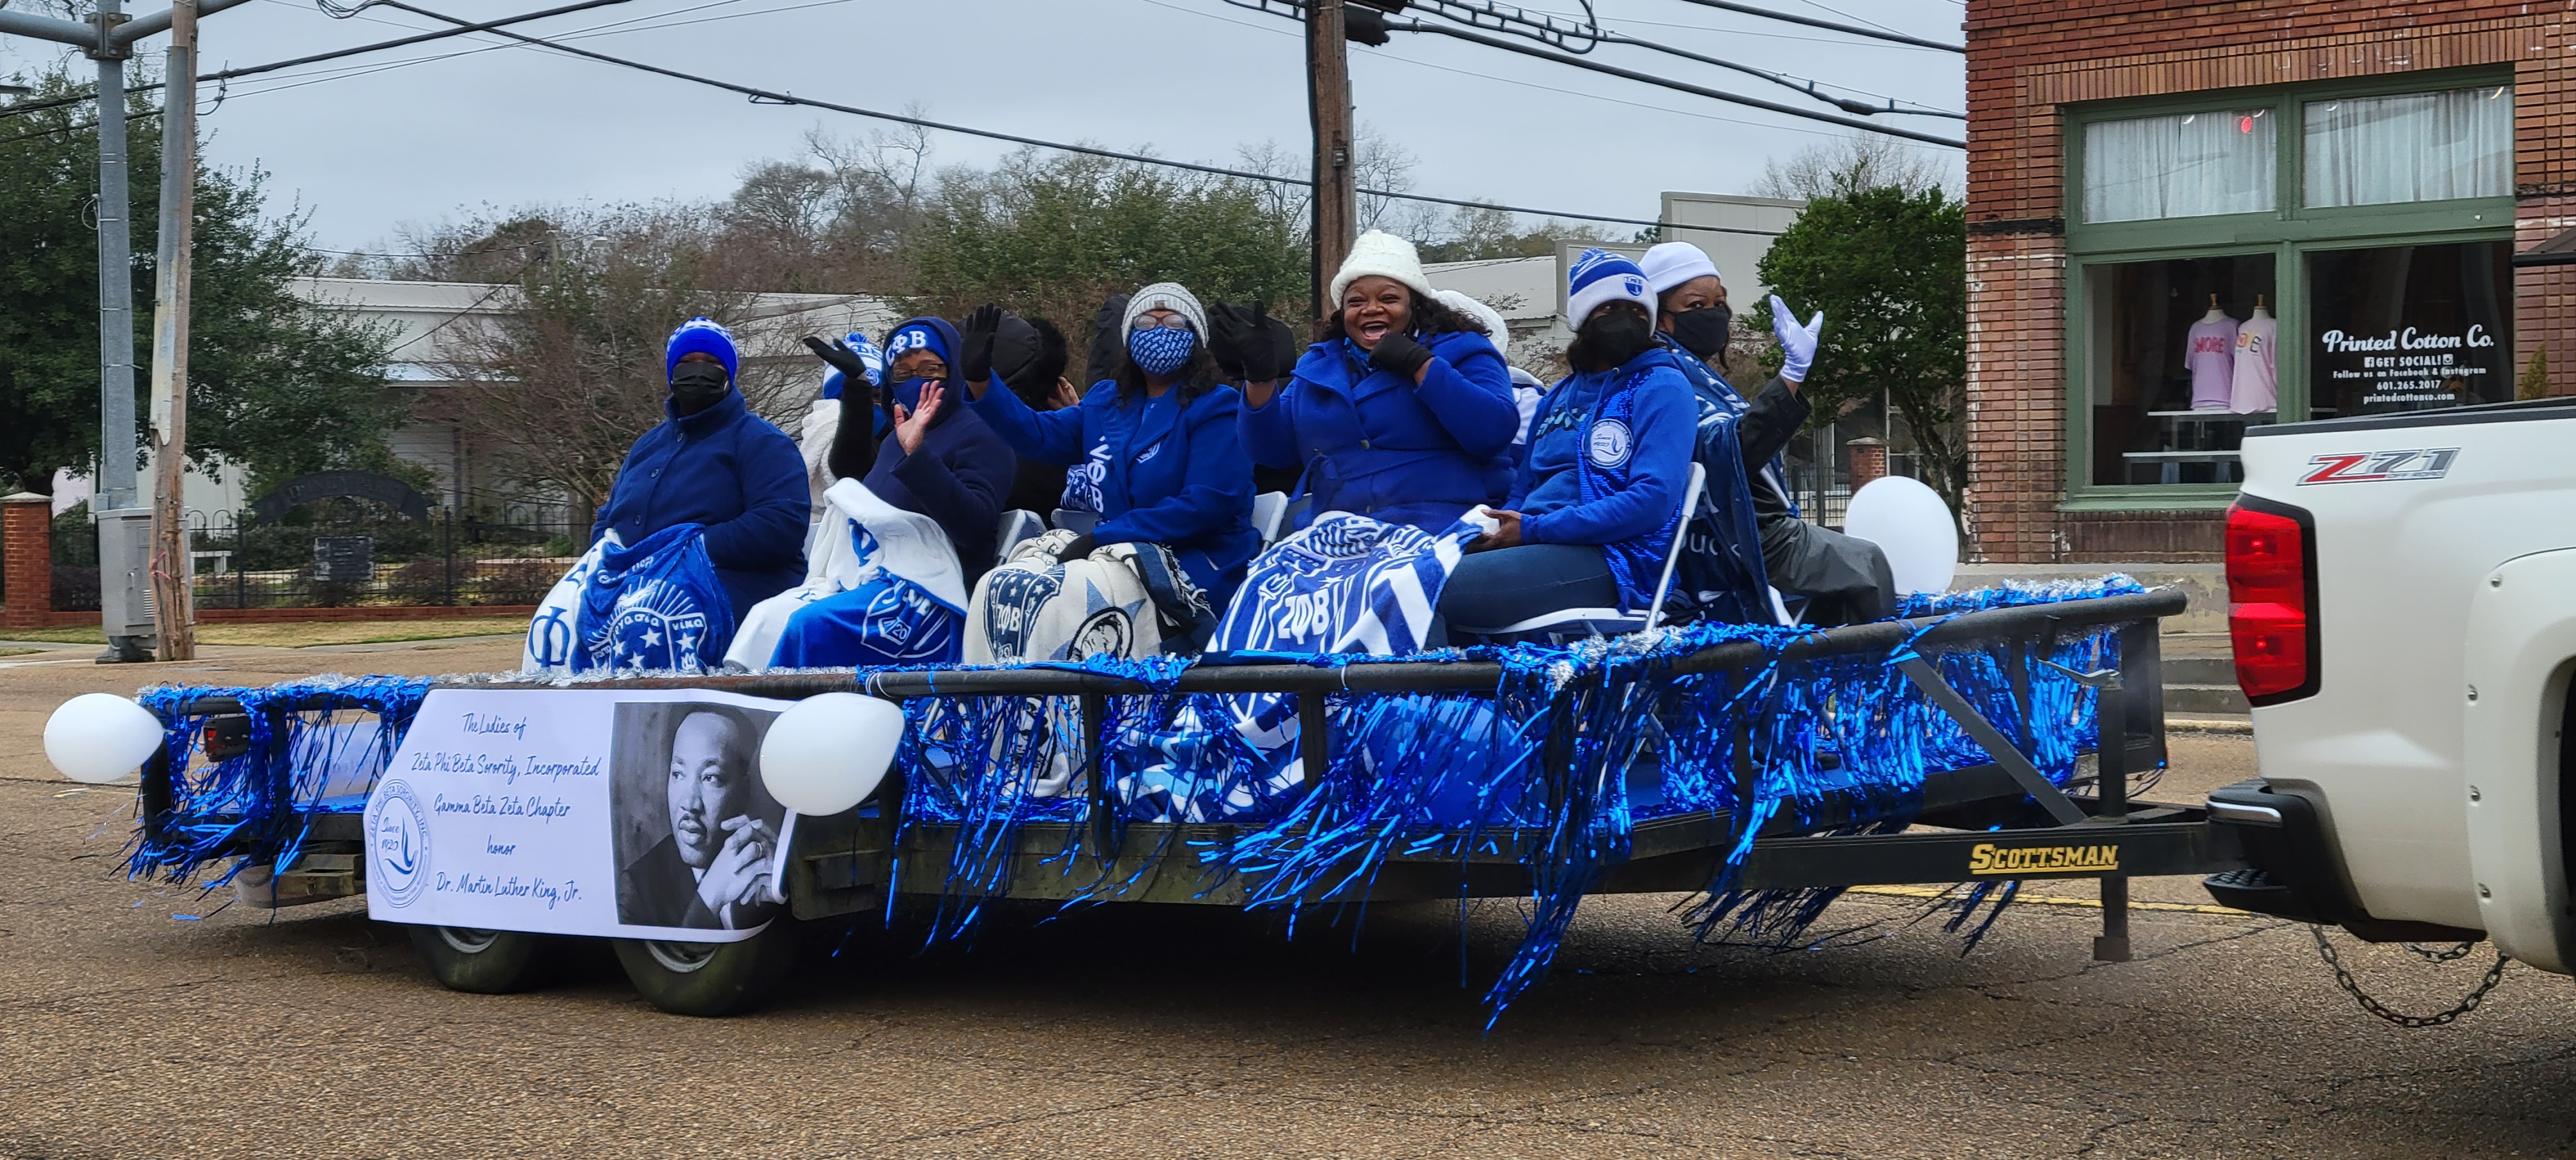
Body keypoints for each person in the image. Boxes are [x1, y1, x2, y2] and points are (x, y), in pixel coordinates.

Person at [964, 284, 1258, 652]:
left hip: (1196, 562)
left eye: (1174, 322)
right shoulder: (1107, 401)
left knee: (1070, 592)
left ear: (1196, 338)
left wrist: (1103, 537)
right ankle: (1005, 686)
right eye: (1146, 323)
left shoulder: (1218, 406)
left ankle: (1071, 687)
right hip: (1114, 557)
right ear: (1129, 338)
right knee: (1002, 585)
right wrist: (981, 382)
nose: (1159, 331)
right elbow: (1037, 435)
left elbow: (1206, 505)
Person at [1436, 250, 1698, 631]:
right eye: (1610, 308)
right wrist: (1495, 529)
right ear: (1582, 318)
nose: (1626, 318)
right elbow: (1524, 488)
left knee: (1427, 591)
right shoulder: (1558, 395)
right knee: (1405, 575)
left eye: (1638, 311)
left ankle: (1421, 675)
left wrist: (1533, 529)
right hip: (1535, 543)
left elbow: (1652, 501)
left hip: (1614, 558)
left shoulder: (1662, 386)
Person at [1639, 241, 1895, 623]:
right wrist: (1791, 376)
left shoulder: (1690, 372)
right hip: (1739, 534)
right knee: (1866, 565)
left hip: (1739, 526)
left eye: (1719, 303)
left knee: (1837, 584)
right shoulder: (1670, 377)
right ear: (1661, 319)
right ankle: (1877, 663)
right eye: (1696, 305)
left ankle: (1825, 661)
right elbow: (1728, 451)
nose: (1714, 314)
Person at [1234, 231, 1519, 534]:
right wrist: (1260, 380)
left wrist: (1421, 365)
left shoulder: (1465, 349)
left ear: (1416, 306)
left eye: (1389, 298)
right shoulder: (1317, 366)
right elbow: (1272, 454)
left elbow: (1494, 433)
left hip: (1444, 524)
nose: (1371, 309)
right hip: (1337, 531)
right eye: (1356, 301)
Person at [590, 317, 808, 623]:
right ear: (671, 372)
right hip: (631, 585)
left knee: (644, 622)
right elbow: (608, 518)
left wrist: (689, 550)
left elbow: (781, 524)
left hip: (731, 586)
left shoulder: (763, 441)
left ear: (729, 373)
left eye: (711, 363)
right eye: (687, 362)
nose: (698, 371)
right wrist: (606, 552)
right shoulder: (647, 446)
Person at [822, 315, 1016, 586]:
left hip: (937, 590)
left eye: (930, 369)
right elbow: (851, 472)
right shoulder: (896, 436)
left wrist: (917, 453)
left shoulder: (985, 430)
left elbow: (974, 530)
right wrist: (857, 387)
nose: (917, 381)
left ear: (954, 368)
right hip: (873, 574)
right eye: (902, 373)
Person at [618, 710, 779, 931]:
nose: (690, 804)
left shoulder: (768, 865)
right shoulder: (637, 889)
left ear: (745, 790)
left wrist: (783, 893)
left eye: (710, 778)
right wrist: (709, 897)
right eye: (678, 774)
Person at [797, 331, 885, 531]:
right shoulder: (829, 430)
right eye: (864, 396)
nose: (872, 405)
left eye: (878, 395)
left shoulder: (897, 436)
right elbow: (851, 465)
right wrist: (858, 386)